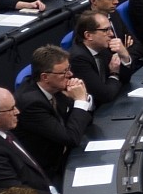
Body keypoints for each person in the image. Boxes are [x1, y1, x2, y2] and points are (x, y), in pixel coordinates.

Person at [14, 46, 96, 176]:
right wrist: (80, 100)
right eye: (64, 72)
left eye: (69, 68)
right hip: (51, 169)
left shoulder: (56, 88)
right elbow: (71, 138)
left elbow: (85, 122)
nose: (70, 75)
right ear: (45, 77)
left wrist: (83, 98)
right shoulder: (32, 103)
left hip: (67, 152)